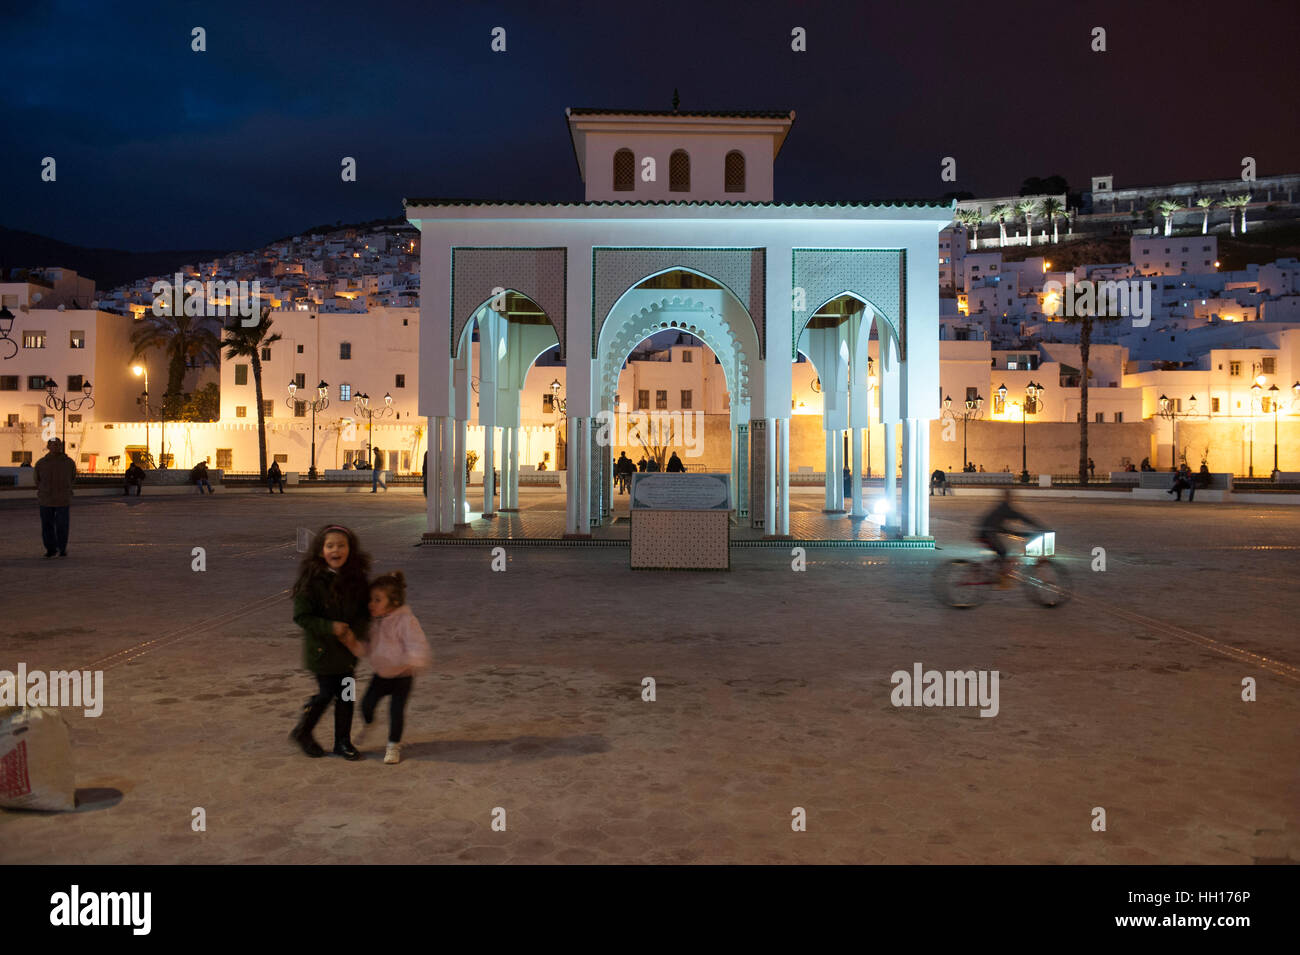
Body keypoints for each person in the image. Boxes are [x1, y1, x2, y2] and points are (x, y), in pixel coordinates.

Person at [290, 524, 371, 760]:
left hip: (347, 652)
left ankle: (342, 742)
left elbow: (364, 614)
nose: (336, 550)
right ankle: (303, 731)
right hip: (322, 651)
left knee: (346, 695)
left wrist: (354, 635)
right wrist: (331, 628)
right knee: (326, 693)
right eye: (330, 546)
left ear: (350, 549)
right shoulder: (311, 580)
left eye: (341, 545)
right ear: (320, 550)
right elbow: (302, 616)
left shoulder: (357, 579)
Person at [341, 571, 431, 765]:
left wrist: (413, 661)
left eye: (377, 600)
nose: (371, 604)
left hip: (402, 677)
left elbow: (418, 645)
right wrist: (352, 644)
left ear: (394, 602)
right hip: (381, 675)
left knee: (396, 712)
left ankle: (393, 745)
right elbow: (367, 648)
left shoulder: (406, 621)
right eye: (371, 599)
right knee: (366, 705)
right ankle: (369, 722)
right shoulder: (374, 623)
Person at [975, 489, 1046, 587]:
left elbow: (1002, 524)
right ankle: (1000, 577)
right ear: (1008, 498)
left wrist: (1016, 533)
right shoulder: (1005, 508)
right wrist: (1040, 527)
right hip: (987, 533)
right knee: (1003, 551)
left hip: (988, 531)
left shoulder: (1002, 507)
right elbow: (1022, 517)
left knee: (1003, 551)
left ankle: (999, 574)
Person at [34, 438, 76, 558]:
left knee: (62, 525)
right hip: (46, 499)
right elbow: (37, 479)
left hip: (63, 499)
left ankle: (62, 548)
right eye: (53, 445)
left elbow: (73, 477)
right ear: (48, 447)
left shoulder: (68, 463)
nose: (56, 447)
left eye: (58, 445)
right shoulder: (41, 463)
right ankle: (50, 548)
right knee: (47, 525)